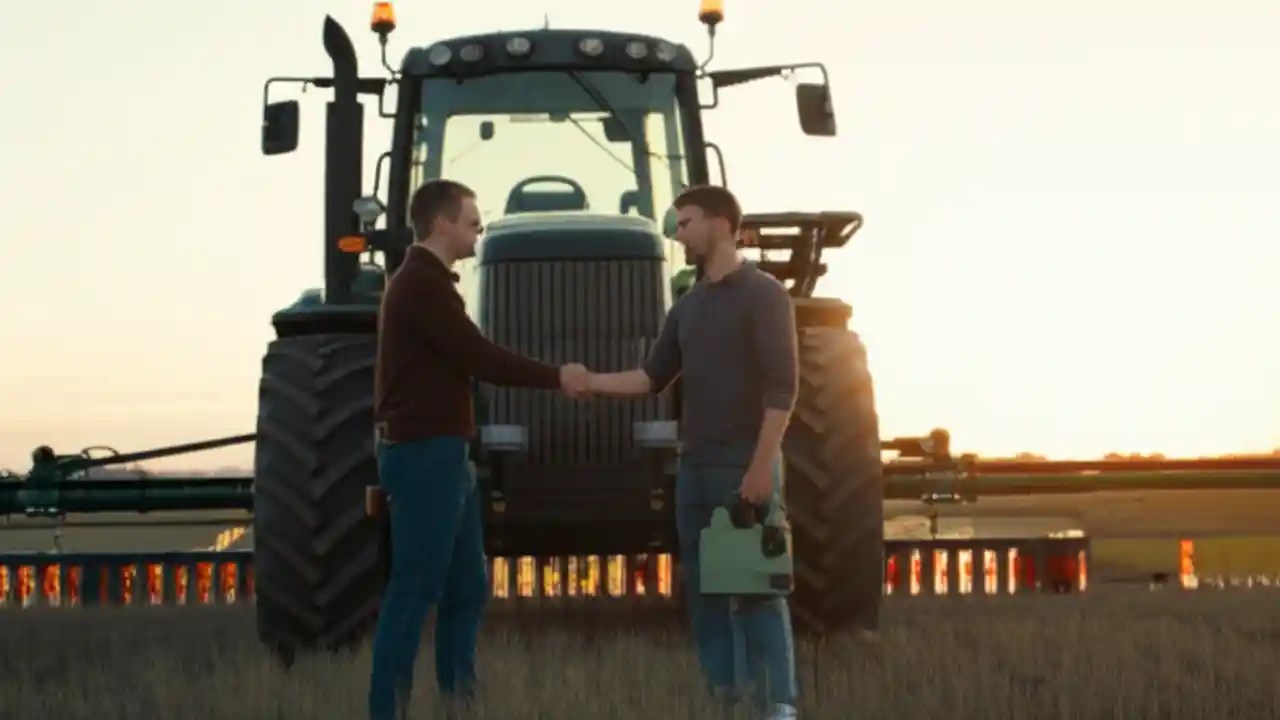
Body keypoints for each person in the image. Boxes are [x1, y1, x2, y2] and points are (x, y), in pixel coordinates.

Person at [368, 178, 590, 719]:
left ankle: (458, 702)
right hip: (425, 455)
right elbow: (479, 356)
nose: (478, 229)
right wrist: (557, 374)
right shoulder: (421, 284)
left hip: (448, 456)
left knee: (467, 587)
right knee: (415, 587)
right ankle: (386, 711)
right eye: (471, 219)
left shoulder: (430, 283)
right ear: (442, 223)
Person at [585, 184, 801, 719]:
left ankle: (777, 705)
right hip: (696, 467)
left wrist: (759, 470)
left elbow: (783, 389)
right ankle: (725, 698)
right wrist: (589, 380)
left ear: (722, 224)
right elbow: (652, 377)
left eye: (685, 223)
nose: (676, 233)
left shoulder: (765, 295)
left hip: (742, 465)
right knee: (704, 595)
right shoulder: (687, 308)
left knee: (755, 591)